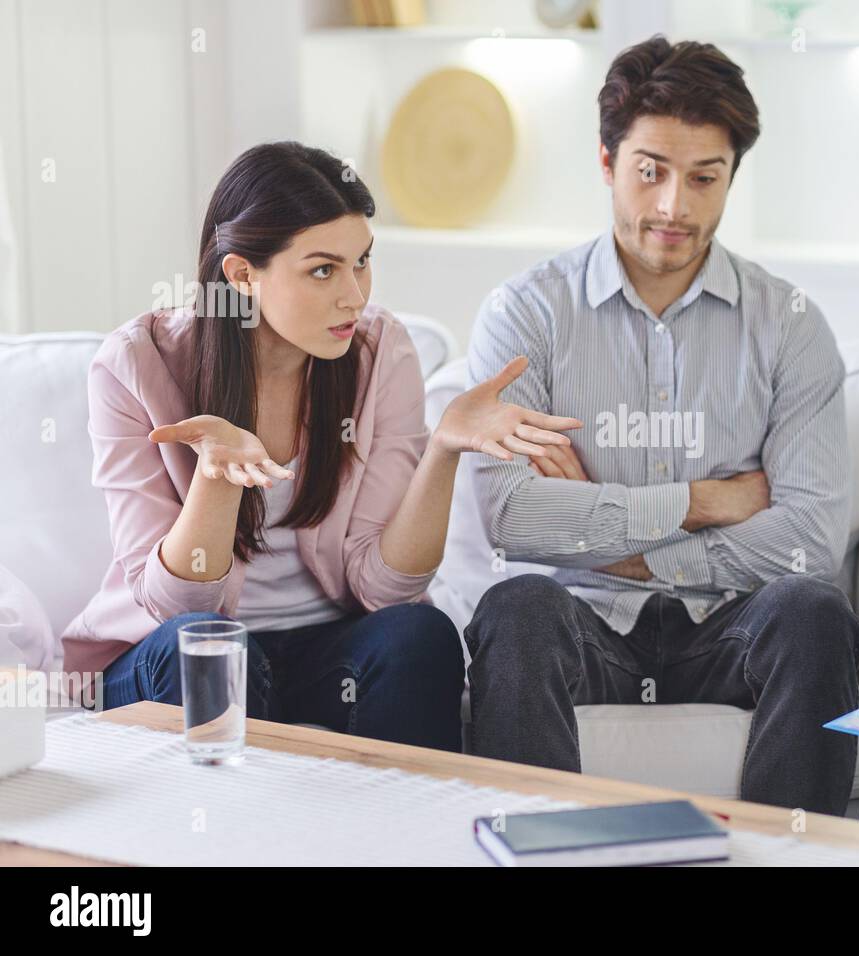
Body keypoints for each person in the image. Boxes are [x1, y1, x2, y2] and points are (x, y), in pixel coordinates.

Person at [462, 36, 859, 816]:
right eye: (650, 171)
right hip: (580, 624)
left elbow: (810, 540)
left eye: (703, 178)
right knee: (515, 612)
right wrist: (703, 501)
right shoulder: (528, 314)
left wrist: (612, 539)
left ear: (731, 178)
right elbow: (511, 520)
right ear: (608, 163)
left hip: (731, 626)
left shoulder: (788, 325)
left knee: (813, 614)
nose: (674, 206)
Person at [62, 142, 579, 751]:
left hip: (322, 653)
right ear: (243, 275)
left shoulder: (380, 351)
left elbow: (385, 591)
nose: (354, 296)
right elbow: (173, 601)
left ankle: (404, 843)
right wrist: (216, 478)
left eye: (362, 261)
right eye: (322, 270)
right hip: (168, 652)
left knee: (419, 634)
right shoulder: (136, 365)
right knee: (206, 643)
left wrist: (442, 449)